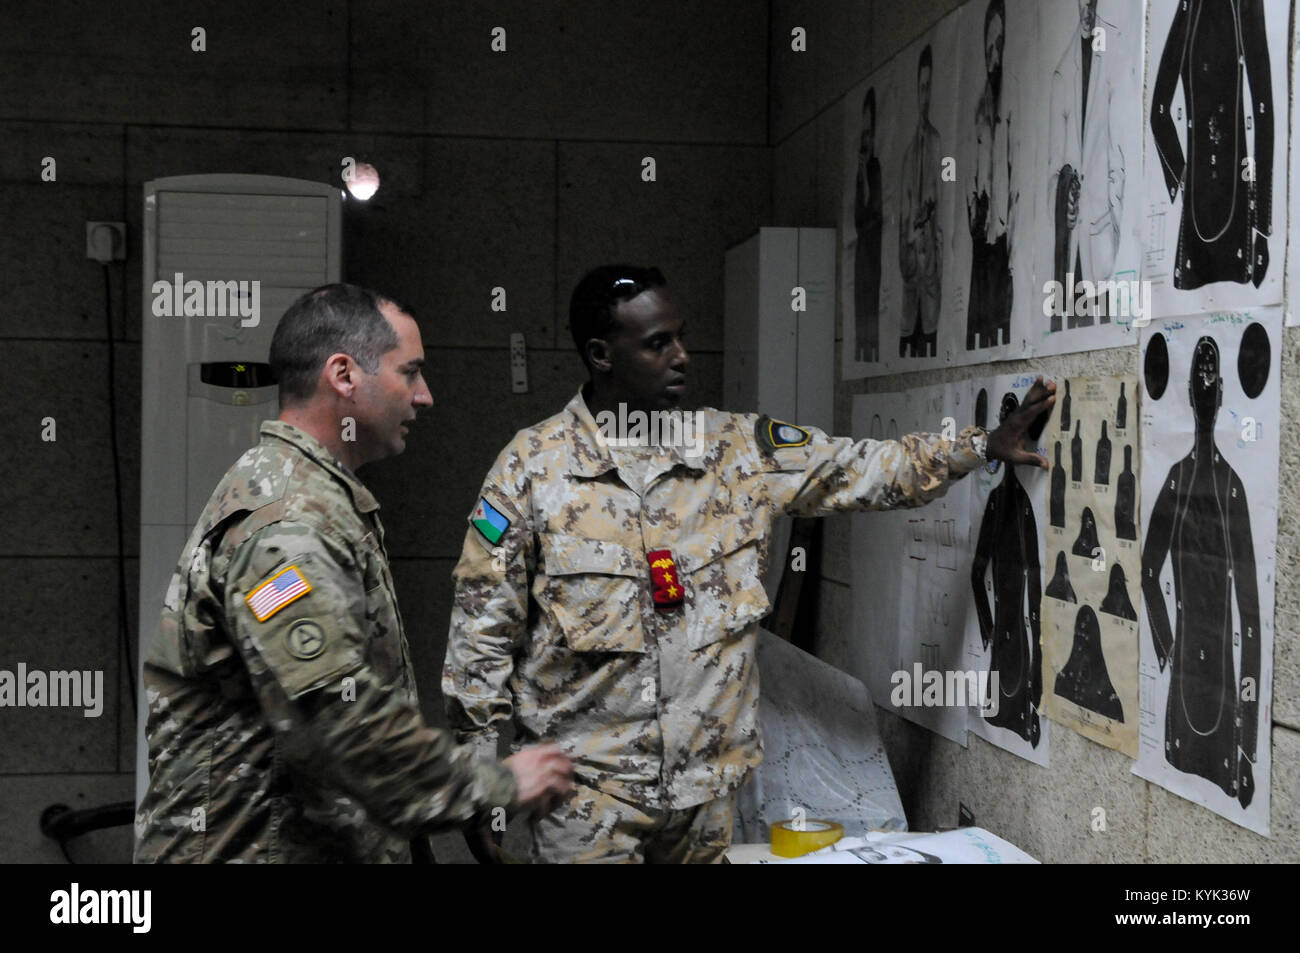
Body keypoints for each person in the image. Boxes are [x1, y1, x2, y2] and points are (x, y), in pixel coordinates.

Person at [443, 265, 1054, 863]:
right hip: (586, 797)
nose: (682, 355)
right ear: (602, 355)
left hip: (706, 791)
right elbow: (480, 628)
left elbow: (861, 468)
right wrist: (478, 779)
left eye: (681, 335)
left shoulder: (736, 451)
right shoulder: (533, 468)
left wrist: (979, 447)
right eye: (659, 343)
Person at [135, 283, 572, 863]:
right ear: (343, 375)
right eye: (410, 372)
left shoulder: (314, 498)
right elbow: (343, 724)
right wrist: (500, 784)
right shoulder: (291, 524)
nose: (425, 397)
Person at [1046, 0, 1128, 329]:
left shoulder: (1116, 51)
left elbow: (1119, 153)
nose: (1086, 11)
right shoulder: (1062, 71)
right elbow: (1054, 165)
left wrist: (1115, 211)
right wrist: (1062, 196)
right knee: (1076, 327)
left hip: (1104, 230)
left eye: (1091, 2)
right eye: (1081, 3)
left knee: (1105, 324)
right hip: (1074, 237)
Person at [899, 46, 943, 358]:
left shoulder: (938, 144)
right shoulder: (908, 154)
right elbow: (902, 219)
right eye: (922, 88)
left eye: (930, 88)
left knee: (930, 342)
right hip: (910, 275)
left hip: (930, 276)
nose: (925, 95)